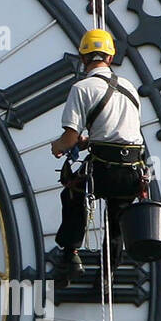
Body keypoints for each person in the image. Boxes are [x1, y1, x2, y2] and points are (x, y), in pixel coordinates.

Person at [49, 28, 146, 287]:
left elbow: (68, 139)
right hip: (131, 170)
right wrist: (90, 140)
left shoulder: (82, 88)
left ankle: (70, 257)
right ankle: (106, 277)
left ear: (84, 59)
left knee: (72, 192)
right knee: (117, 219)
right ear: (110, 58)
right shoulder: (129, 88)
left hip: (103, 171)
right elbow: (122, 132)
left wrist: (57, 146)